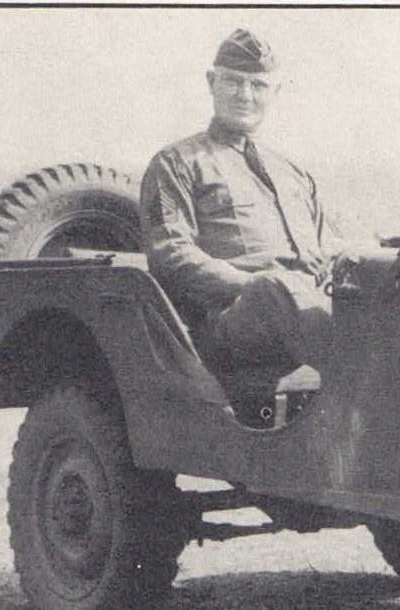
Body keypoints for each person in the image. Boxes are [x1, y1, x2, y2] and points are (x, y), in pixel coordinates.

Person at [140, 28, 339, 377]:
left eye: (258, 85)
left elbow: (329, 249)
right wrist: (251, 283)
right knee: (275, 288)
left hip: (303, 315)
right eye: (233, 82)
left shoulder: (294, 173)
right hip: (229, 321)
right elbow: (171, 253)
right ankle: (373, 392)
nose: (245, 95)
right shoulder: (177, 163)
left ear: (274, 92)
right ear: (211, 82)